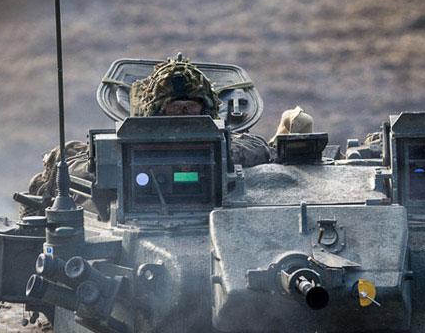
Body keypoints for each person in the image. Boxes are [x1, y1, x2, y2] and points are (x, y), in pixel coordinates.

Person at [23, 55, 312, 214]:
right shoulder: (129, 146)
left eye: (192, 106)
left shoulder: (222, 142)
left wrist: (224, 154)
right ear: (159, 111)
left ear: (206, 109)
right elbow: (80, 168)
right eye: (176, 107)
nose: (185, 114)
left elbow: (257, 147)